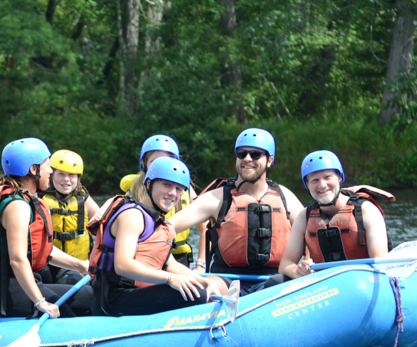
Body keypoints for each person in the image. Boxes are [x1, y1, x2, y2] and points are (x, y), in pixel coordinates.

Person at [169, 128, 304, 292]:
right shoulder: (218, 198)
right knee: (203, 291)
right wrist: (171, 266)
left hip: (273, 281)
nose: (247, 159)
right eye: (241, 154)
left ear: (269, 160)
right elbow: (165, 228)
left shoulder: (285, 196)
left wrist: (306, 263)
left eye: (255, 155)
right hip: (227, 281)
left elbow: (311, 232)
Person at [90, 157, 228, 316]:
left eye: (178, 188)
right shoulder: (133, 215)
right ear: (149, 184)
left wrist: (205, 281)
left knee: (220, 284)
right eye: (167, 185)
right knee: (197, 295)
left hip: (139, 292)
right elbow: (122, 265)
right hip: (114, 298)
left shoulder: (160, 223)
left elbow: (171, 265)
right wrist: (171, 279)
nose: (172, 193)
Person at [0, 138, 92, 318]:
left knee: (88, 295)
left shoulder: (24, 200)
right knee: (87, 300)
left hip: (21, 288)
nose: (51, 171)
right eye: (47, 165)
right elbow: (18, 260)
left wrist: (81, 265)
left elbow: (41, 249)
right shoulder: (17, 206)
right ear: (33, 170)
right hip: (9, 294)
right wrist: (41, 302)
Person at [277, 151, 393, 280]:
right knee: (275, 281)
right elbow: (285, 264)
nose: (322, 185)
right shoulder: (304, 217)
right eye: (315, 180)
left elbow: (379, 264)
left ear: (339, 177)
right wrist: (298, 271)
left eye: (328, 177)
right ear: (307, 185)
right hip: (326, 288)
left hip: (364, 282)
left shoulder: (366, 210)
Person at [119, 135, 208, 271]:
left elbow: (205, 227)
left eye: (166, 160)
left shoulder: (186, 189)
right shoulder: (134, 190)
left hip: (178, 258)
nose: (161, 166)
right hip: (146, 259)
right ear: (144, 164)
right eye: (154, 162)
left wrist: (201, 265)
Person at [40, 150, 100, 285]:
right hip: (46, 266)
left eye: (71, 175)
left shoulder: (84, 200)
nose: (66, 179)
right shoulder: (40, 199)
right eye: (61, 174)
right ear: (51, 174)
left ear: (78, 178)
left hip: (77, 267)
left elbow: (105, 226)